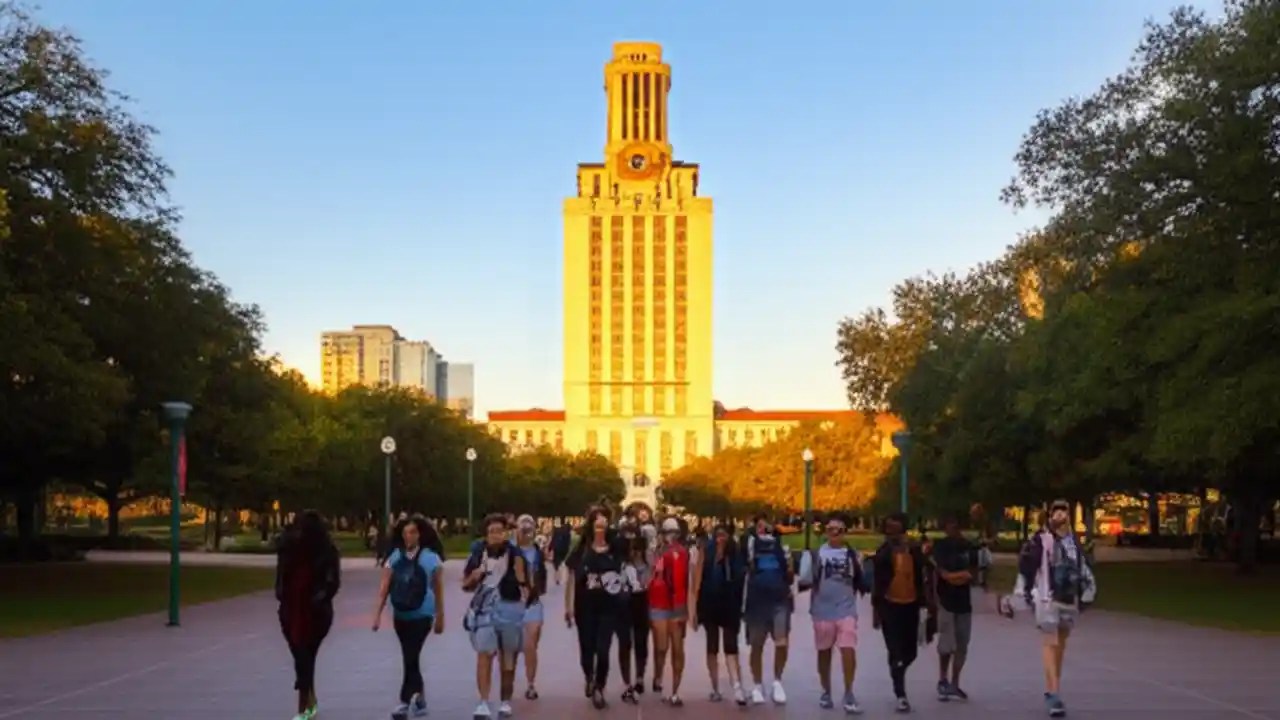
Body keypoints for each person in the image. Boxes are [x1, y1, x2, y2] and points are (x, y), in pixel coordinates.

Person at [1018, 499, 1096, 718]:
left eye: (1065, 512)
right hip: (1047, 599)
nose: (1061, 515)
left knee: (1060, 645)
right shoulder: (1042, 539)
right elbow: (1026, 566)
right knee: (1050, 642)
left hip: (1068, 600)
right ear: (1050, 515)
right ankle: (1054, 693)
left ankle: (1052, 686)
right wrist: (1023, 593)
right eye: (1057, 512)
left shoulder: (1074, 542)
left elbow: (1083, 567)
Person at [372, 515, 445, 720]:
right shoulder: (394, 558)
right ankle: (419, 698)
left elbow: (438, 589)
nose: (408, 536)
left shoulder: (431, 558)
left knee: (411, 655)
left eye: (412, 532)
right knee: (410, 656)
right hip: (401, 614)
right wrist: (377, 615)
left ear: (420, 534)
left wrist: (441, 616)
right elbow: (384, 588)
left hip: (423, 614)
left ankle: (404, 701)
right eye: (405, 533)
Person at [463, 514, 531, 719]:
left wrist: (523, 591)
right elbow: (465, 585)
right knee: (484, 654)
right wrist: (475, 576)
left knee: (507, 656)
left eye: (499, 532)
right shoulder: (477, 552)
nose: (495, 536)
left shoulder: (515, 553)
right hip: (484, 609)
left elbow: (525, 583)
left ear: (506, 534)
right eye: (491, 532)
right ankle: (483, 702)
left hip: (509, 608)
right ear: (486, 534)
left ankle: (505, 701)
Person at [566, 507, 634, 709]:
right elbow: (571, 578)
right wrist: (568, 606)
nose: (600, 531)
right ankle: (589, 675)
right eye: (597, 526)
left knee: (603, 649)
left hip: (608, 606)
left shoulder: (616, 549)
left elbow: (629, 562)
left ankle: (599, 687)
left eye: (603, 526)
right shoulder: (582, 549)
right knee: (587, 649)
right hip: (585, 606)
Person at [798, 513, 866, 714]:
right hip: (822, 610)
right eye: (831, 530)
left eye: (839, 531)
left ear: (845, 533)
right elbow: (806, 580)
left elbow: (859, 580)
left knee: (848, 649)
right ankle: (826, 690)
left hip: (846, 609)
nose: (835, 534)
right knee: (824, 652)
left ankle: (849, 692)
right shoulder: (817, 554)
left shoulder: (852, 554)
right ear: (826, 532)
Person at [276, 510, 341, 720]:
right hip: (291, 608)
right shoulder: (289, 550)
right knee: (300, 654)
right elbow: (281, 576)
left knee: (306, 654)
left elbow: (332, 582)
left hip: (315, 612)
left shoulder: (327, 551)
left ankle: (304, 704)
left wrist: (319, 599)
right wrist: (281, 593)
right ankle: (308, 694)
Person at [871, 512, 934, 713]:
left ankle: (897, 669)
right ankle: (900, 693)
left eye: (896, 530)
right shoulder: (883, 553)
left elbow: (928, 571)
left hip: (911, 606)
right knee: (896, 650)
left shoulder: (914, 551)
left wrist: (929, 602)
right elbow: (877, 583)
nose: (892, 535)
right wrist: (876, 610)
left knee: (910, 652)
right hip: (889, 607)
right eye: (889, 530)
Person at [690, 522, 747, 705]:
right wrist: (694, 610)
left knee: (731, 646)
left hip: (729, 605)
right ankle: (715, 688)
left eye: (724, 535)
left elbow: (741, 579)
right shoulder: (706, 552)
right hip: (709, 604)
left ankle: (737, 686)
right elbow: (697, 580)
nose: (720, 539)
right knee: (712, 646)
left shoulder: (736, 554)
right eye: (718, 535)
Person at [742, 513, 794, 705]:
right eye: (760, 526)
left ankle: (777, 682)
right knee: (757, 645)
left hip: (779, 600)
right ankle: (757, 685)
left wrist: (789, 567)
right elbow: (746, 568)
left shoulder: (783, 547)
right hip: (756, 601)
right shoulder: (750, 545)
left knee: (781, 642)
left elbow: (790, 575)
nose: (763, 529)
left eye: (766, 525)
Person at [932, 515, 977, 702]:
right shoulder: (941, 547)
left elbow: (972, 574)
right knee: (946, 645)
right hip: (946, 602)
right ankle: (942, 679)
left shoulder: (969, 547)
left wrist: (954, 576)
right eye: (950, 524)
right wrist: (957, 576)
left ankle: (955, 682)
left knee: (961, 645)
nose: (953, 528)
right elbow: (942, 574)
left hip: (964, 604)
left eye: (956, 525)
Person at [648, 517, 691, 705]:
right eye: (667, 532)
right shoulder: (655, 552)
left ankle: (675, 690)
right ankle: (658, 676)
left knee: (677, 649)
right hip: (658, 602)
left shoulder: (682, 553)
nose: (670, 536)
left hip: (676, 605)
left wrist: (687, 609)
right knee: (661, 647)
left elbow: (685, 580)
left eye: (673, 532)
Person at [615, 519, 653, 703]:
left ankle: (639, 677)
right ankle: (626, 682)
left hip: (641, 601)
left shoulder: (647, 562)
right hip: (623, 602)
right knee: (624, 642)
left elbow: (652, 578)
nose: (634, 551)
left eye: (637, 546)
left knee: (641, 642)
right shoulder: (620, 562)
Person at [513, 514, 547, 700]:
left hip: (533, 603)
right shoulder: (510, 551)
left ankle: (530, 684)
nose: (526, 529)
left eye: (530, 525)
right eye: (522, 525)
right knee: (510, 647)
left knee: (531, 644)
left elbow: (542, 576)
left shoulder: (537, 551)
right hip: (512, 603)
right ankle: (508, 684)